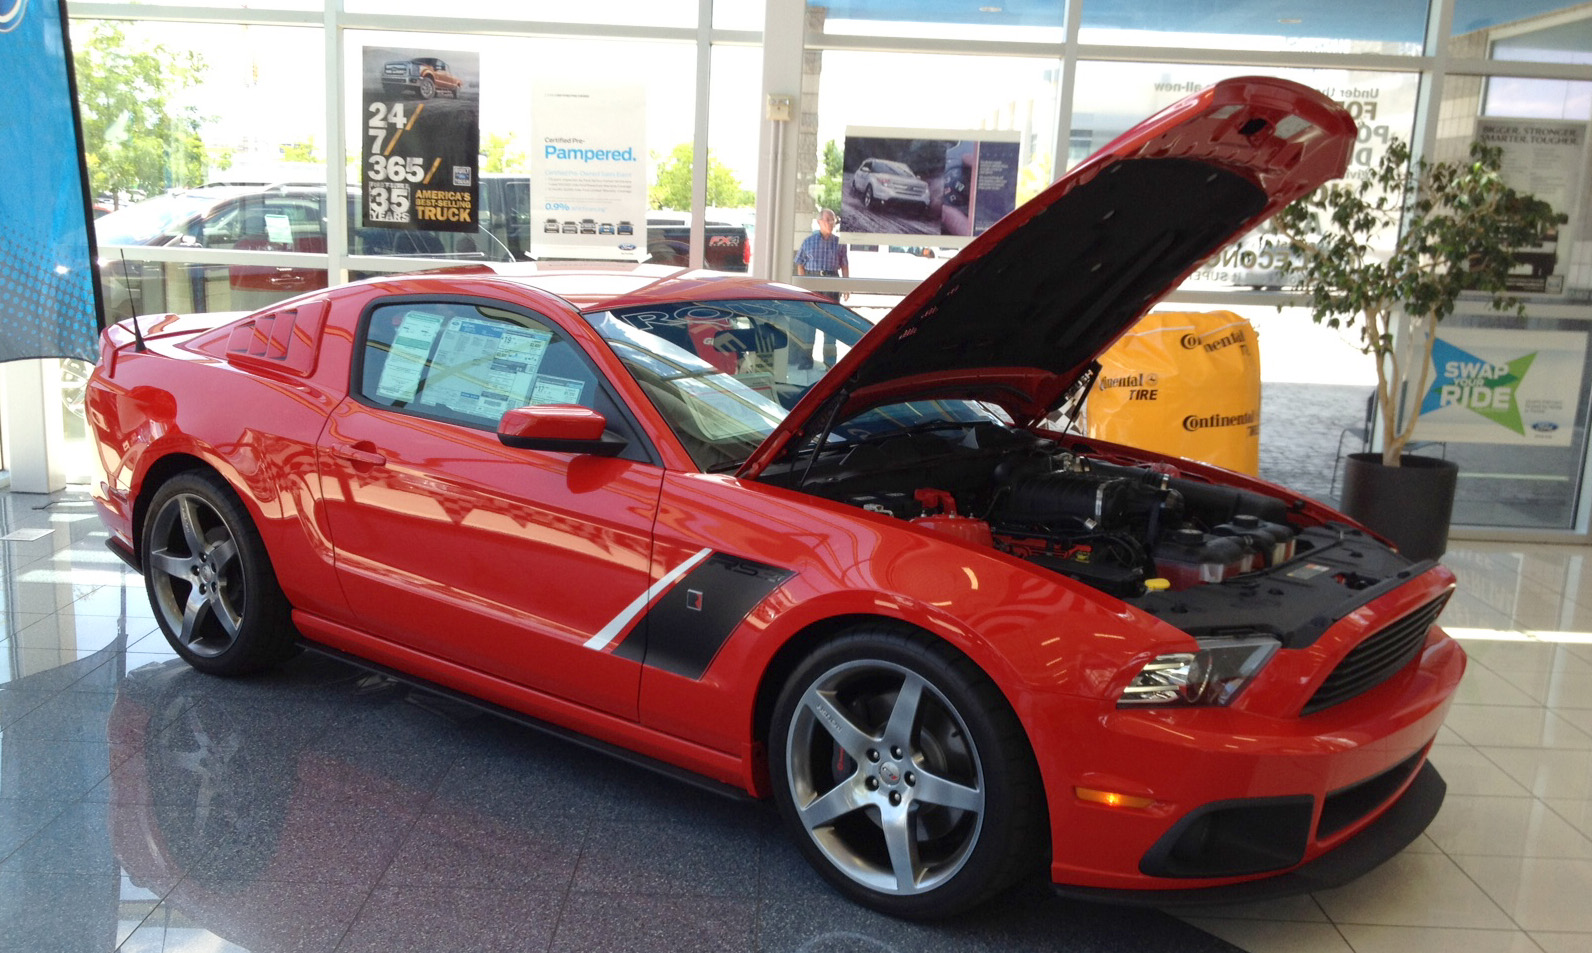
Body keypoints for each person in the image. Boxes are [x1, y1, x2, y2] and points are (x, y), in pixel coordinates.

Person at [793, 208, 849, 302]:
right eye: (828, 220)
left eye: (833, 220)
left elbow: (844, 266)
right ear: (819, 222)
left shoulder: (839, 243)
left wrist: (846, 286)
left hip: (832, 280)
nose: (831, 223)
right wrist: (803, 286)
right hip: (812, 280)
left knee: (831, 310)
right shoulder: (809, 241)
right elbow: (800, 264)